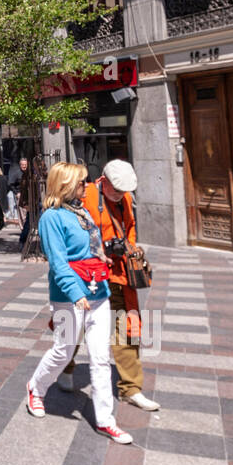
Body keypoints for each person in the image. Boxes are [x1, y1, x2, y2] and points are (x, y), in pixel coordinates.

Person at [25, 162, 132, 445]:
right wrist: (76, 293)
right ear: (66, 184)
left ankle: (106, 421)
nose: (87, 186)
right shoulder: (52, 218)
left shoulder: (82, 210)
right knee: (63, 350)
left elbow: (91, 244)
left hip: (98, 291)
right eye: (82, 182)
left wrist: (102, 256)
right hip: (70, 296)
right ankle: (36, 389)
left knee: (100, 358)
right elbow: (58, 263)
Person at [58, 160, 160, 412]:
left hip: (119, 276)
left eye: (124, 191)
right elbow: (72, 232)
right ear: (103, 180)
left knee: (126, 328)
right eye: (116, 190)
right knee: (78, 324)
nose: (120, 195)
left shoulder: (125, 199)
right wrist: (100, 248)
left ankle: (131, 389)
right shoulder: (86, 195)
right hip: (90, 276)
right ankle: (65, 367)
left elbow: (131, 229)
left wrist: (129, 248)